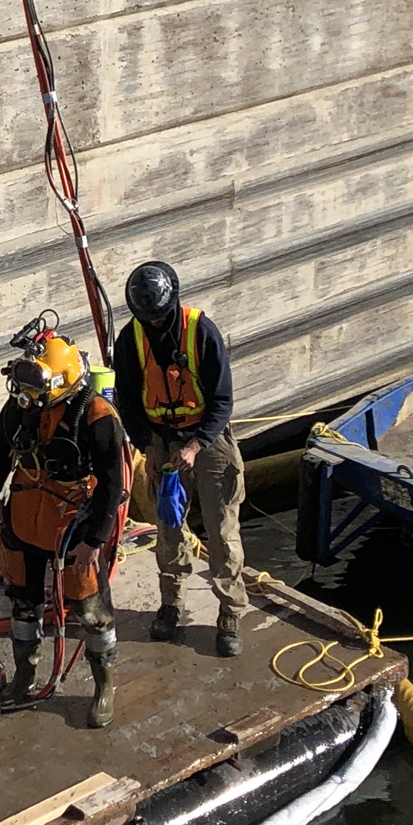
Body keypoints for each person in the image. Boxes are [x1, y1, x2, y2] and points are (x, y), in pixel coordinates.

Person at [0, 320, 126, 725]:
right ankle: (25, 675)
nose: (27, 393)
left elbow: (112, 485)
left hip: (73, 531)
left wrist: (95, 541)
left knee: (91, 611)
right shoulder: (26, 405)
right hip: (24, 521)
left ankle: (104, 685)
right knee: (23, 603)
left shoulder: (97, 417)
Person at [113, 262, 248, 657]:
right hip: (161, 440)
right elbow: (129, 401)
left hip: (207, 439)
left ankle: (230, 613)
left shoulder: (201, 331)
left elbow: (222, 400)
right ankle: (172, 604)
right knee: (169, 527)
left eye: (159, 317)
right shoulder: (131, 338)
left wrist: (195, 446)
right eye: (147, 318)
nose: (154, 324)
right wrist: (149, 448)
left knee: (222, 532)